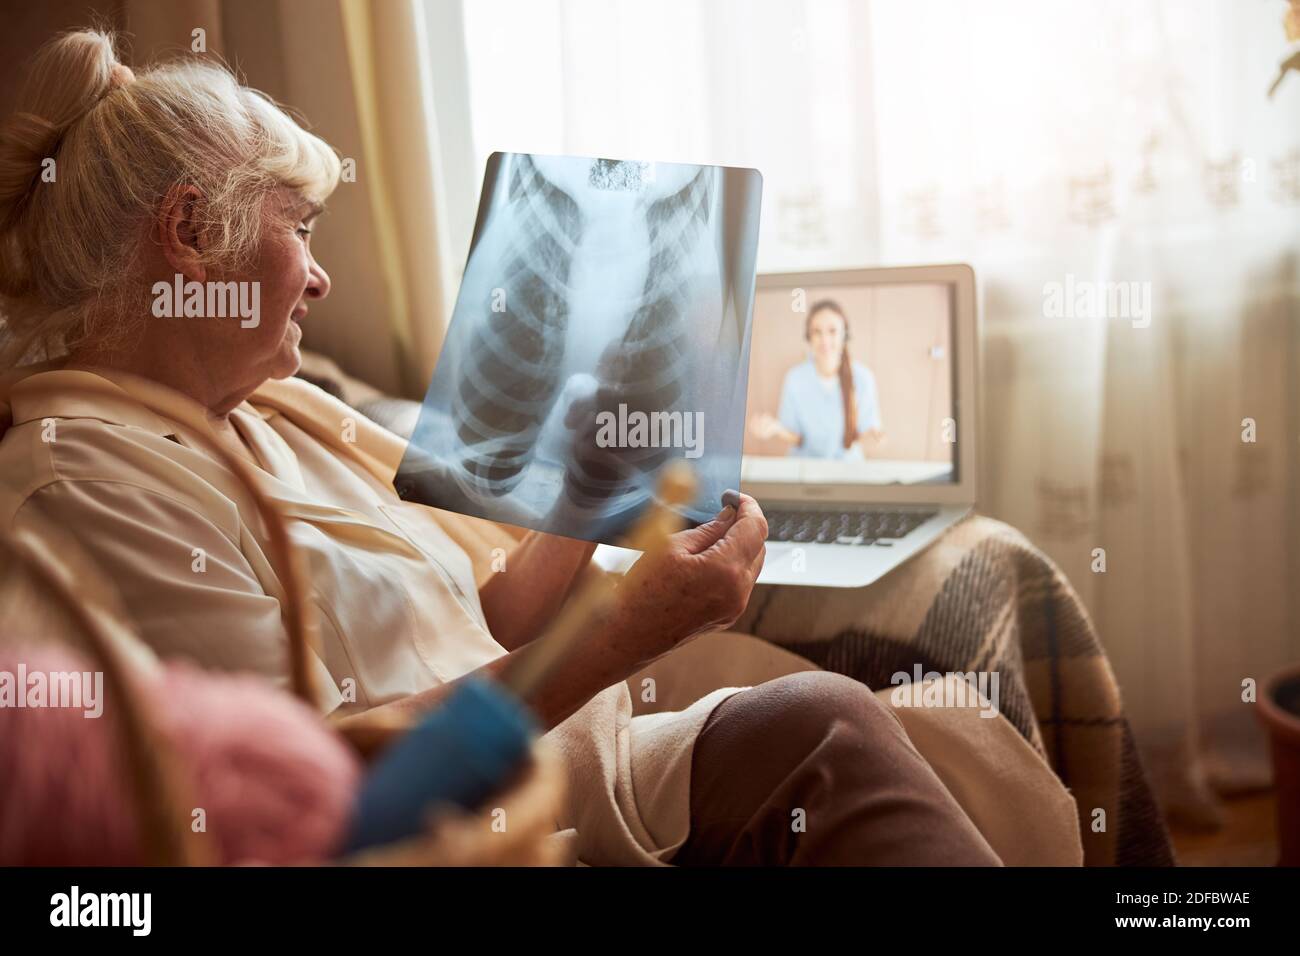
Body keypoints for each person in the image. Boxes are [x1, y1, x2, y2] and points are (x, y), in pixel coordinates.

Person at [0, 29, 1000, 865]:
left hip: (552, 747)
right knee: (824, 726)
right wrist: (619, 635)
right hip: (467, 821)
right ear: (189, 232)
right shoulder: (79, 486)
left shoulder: (271, 411)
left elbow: (480, 614)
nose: (320, 279)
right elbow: (299, 785)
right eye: (298, 226)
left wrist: (579, 495)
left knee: (911, 723)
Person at [750, 299, 886, 459]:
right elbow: (795, 436)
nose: (825, 340)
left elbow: (867, 431)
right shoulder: (794, 378)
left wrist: (875, 436)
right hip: (803, 468)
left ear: (845, 335)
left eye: (832, 331)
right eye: (817, 332)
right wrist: (775, 428)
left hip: (847, 468)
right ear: (809, 337)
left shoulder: (863, 378)